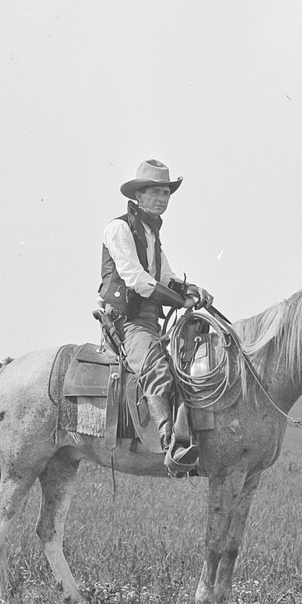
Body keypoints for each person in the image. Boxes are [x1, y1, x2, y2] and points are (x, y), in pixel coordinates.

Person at [98, 159, 214, 470]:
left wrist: (192, 290)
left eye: (165, 193)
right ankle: (171, 445)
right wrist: (177, 298)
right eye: (154, 192)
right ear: (138, 196)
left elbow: (165, 275)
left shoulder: (151, 234)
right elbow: (137, 279)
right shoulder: (119, 228)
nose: (162, 198)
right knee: (156, 368)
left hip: (149, 319)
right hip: (128, 322)